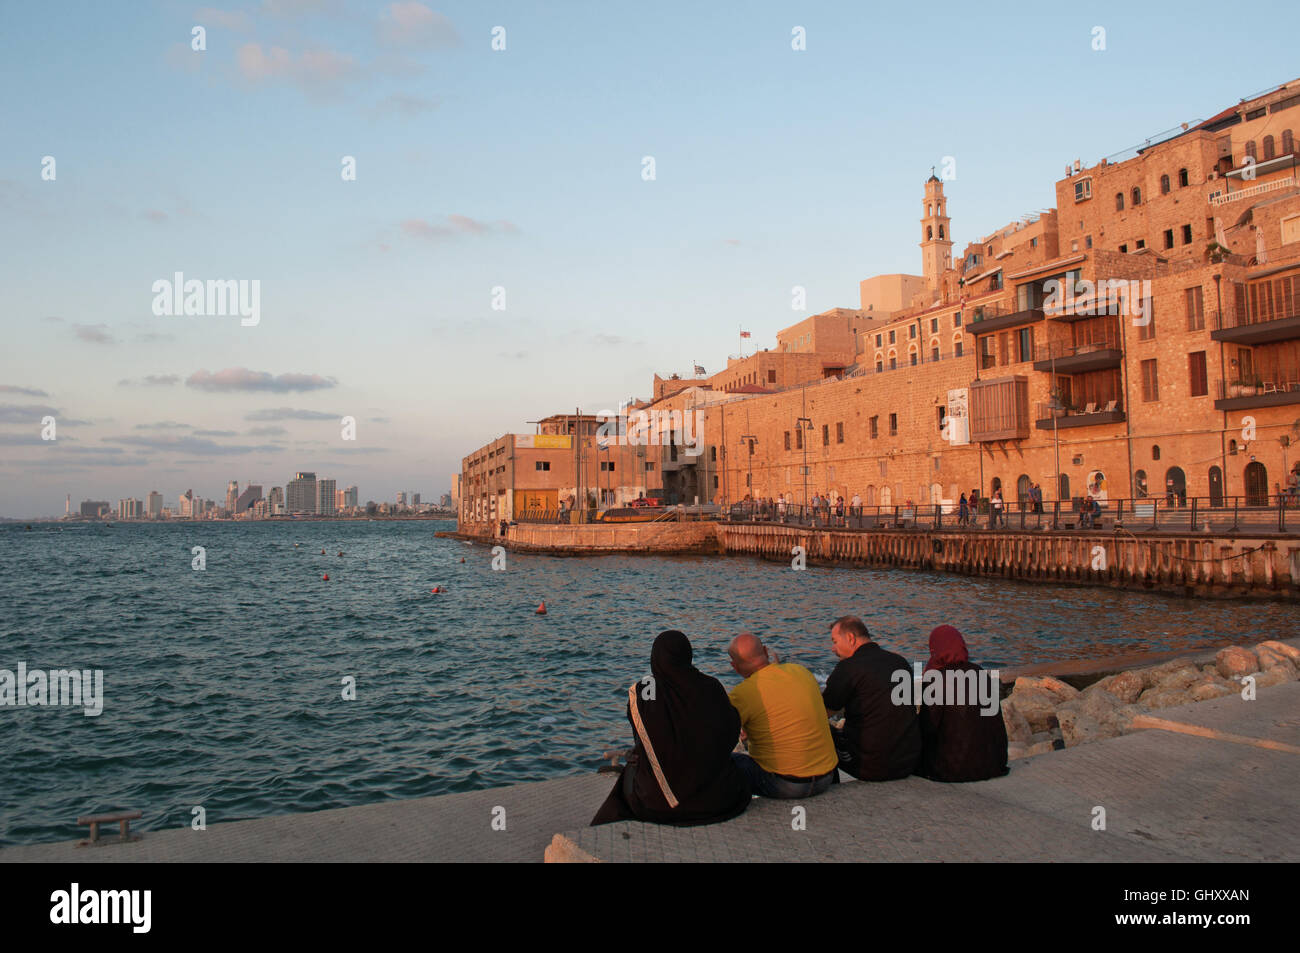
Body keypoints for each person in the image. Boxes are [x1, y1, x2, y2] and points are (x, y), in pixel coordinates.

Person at [591, 631, 751, 826]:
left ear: (655, 658)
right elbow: (730, 730)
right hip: (718, 799)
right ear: (688, 655)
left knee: (630, 774)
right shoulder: (711, 686)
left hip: (661, 804)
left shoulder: (647, 689)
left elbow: (644, 716)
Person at [726, 633, 839, 798]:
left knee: (731, 761)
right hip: (826, 778)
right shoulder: (801, 671)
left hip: (786, 785)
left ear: (734, 666)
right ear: (765, 651)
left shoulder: (741, 694)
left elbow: (722, 736)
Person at [822, 616, 920, 781]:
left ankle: (830, 786)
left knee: (822, 731)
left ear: (851, 638)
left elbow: (822, 712)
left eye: (835, 641)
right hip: (907, 761)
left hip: (871, 766)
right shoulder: (900, 662)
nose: (833, 648)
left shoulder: (848, 668)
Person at [917, 625, 1009, 783]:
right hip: (989, 765)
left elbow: (927, 728)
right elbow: (996, 725)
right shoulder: (981, 673)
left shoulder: (935, 679)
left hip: (951, 769)